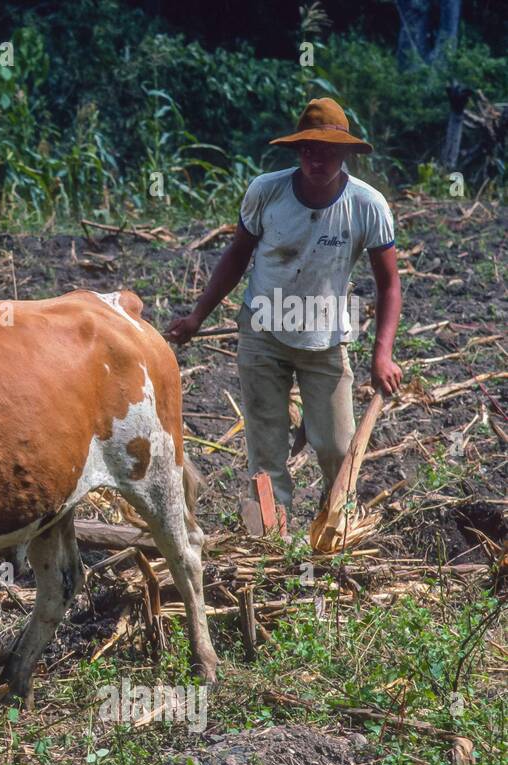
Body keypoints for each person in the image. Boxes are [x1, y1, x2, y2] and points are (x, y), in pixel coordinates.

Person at [166, 97, 402, 519]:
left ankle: (336, 530)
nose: (318, 159)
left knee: (335, 445)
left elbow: (389, 284)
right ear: (298, 151)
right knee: (265, 445)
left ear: (346, 153)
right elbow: (237, 256)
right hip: (262, 333)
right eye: (309, 149)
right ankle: (267, 539)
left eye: (329, 150)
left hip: (324, 339)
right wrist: (197, 316)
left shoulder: (367, 205)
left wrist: (381, 353)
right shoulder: (266, 191)